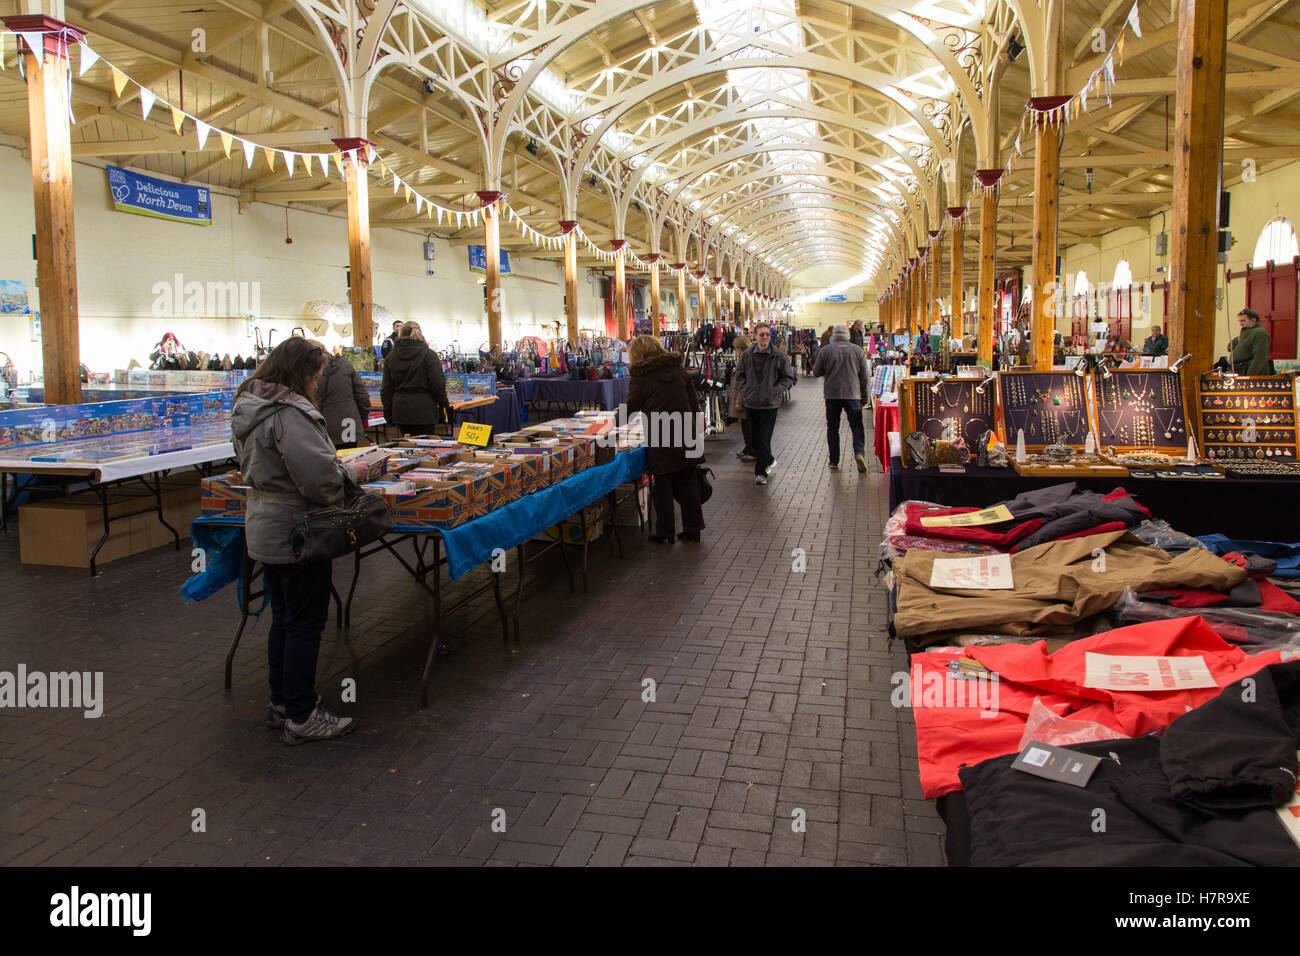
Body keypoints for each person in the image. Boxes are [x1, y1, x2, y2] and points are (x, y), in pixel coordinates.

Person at [231, 337, 368, 744]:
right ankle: (303, 714)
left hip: (264, 523)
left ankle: (284, 703)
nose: (318, 382)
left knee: (285, 618)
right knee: (305, 622)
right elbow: (318, 479)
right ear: (303, 372)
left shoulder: (250, 405)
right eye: (317, 374)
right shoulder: (289, 413)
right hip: (296, 529)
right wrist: (352, 474)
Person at [626, 335, 705, 544]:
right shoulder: (678, 370)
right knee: (688, 483)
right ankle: (693, 528)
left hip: (660, 435)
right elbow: (694, 404)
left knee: (663, 483)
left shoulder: (641, 377)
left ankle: (665, 532)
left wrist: (610, 421)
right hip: (686, 431)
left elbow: (630, 408)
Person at [736, 322, 796, 486]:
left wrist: (776, 391)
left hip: (769, 404)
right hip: (752, 403)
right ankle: (769, 458)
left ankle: (760, 473)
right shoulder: (747, 355)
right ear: (755, 336)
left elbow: (788, 378)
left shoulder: (778, 355)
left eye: (767, 334)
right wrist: (745, 390)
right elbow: (739, 376)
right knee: (755, 440)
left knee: (764, 438)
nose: (764, 337)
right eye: (761, 334)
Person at [812, 324, 869, 473]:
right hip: (853, 394)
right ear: (848, 336)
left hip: (832, 395)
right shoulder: (858, 351)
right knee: (856, 426)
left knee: (833, 428)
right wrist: (865, 397)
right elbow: (864, 377)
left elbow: (816, 372)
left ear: (834, 336)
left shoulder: (825, 351)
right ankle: (859, 452)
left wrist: (829, 368)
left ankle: (833, 460)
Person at [381, 321, 449, 436]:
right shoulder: (429, 355)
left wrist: (388, 413)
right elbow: (438, 384)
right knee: (425, 448)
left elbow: (386, 389)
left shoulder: (391, 357)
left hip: (401, 410)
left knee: (406, 448)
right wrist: (444, 406)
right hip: (424, 410)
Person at [316, 349, 372, 447]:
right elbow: (362, 395)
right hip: (349, 423)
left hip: (324, 427)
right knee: (349, 458)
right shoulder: (345, 364)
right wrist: (363, 418)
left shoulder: (310, 372)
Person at [730, 334, 756, 462]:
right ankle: (748, 448)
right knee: (747, 426)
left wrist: (739, 401)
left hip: (745, 399)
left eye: (736, 348)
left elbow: (743, 382)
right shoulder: (747, 358)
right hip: (748, 398)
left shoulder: (745, 359)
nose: (735, 351)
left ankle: (751, 450)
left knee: (748, 426)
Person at [1228, 308, 1272, 374]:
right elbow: (1229, 347)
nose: (1240, 324)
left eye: (1243, 321)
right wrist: (1237, 340)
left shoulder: (1260, 333)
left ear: (1253, 320)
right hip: (1239, 369)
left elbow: (1259, 357)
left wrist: (1250, 375)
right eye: (1239, 321)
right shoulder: (1245, 332)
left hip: (1248, 371)